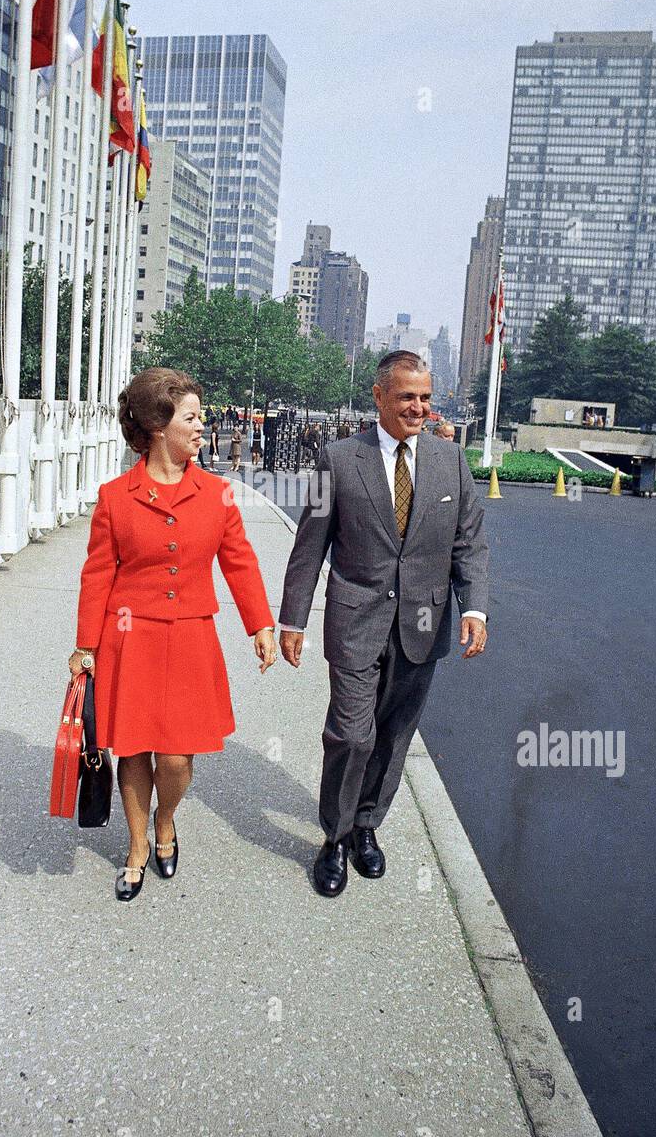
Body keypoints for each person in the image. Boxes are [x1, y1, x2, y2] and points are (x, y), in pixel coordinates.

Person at [278, 350, 489, 898]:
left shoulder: (452, 462)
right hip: (354, 621)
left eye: (425, 397)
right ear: (379, 397)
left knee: (394, 734)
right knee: (350, 733)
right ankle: (334, 835)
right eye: (406, 397)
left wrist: (474, 607)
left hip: (423, 624)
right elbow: (310, 544)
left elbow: (469, 543)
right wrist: (292, 618)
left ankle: (366, 827)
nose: (419, 407)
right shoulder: (338, 458)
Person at [70, 367, 277, 902]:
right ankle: (138, 845)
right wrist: (85, 646)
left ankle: (167, 819)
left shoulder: (218, 494)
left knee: (177, 759)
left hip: (190, 640)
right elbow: (97, 575)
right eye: (193, 417)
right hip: (129, 640)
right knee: (134, 751)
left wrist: (261, 624)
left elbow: (240, 562)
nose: (203, 426)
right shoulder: (115, 497)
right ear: (159, 426)